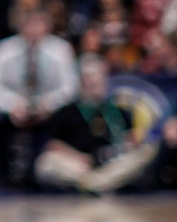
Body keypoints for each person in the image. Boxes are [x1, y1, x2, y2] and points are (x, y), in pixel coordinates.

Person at [0, 7, 79, 185]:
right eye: (29, 24)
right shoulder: (3, 51)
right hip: (14, 112)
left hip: (50, 112)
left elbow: (70, 89)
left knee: (70, 115)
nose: (34, 30)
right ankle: (2, 173)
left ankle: (47, 170)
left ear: (47, 25)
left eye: (38, 24)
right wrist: (12, 106)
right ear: (20, 26)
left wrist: (47, 106)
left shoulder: (61, 50)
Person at [33, 54, 159, 194]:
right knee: (47, 162)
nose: (95, 81)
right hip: (78, 165)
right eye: (90, 77)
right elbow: (52, 145)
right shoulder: (67, 111)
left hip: (111, 165)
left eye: (99, 76)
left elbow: (129, 139)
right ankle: (98, 185)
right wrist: (79, 158)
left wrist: (131, 142)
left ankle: (92, 185)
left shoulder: (117, 110)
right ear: (81, 81)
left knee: (145, 152)